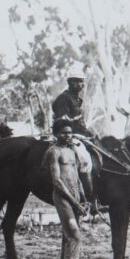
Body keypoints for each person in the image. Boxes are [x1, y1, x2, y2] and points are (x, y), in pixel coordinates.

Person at [43, 121, 89, 259]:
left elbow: (77, 177)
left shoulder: (72, 151)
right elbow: (57, 181)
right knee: (75, 235)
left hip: (75, 197)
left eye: (69, 133)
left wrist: (84, 199)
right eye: (63, 133)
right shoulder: (53, 152)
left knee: (68, 236)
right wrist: (75, 203)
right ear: (56, 135)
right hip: (63, 198)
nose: (67, 136)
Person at [51, 70, 96, 212]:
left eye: (81, 81)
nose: (79, 84)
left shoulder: (76, 99)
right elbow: (62, 123)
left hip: (79, 134)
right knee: (84, 160)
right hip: (68, 135)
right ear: (69, 82)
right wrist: (74, 123)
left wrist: (89, 132)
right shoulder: (63, 99)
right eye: (76, 81)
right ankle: (88, 199)